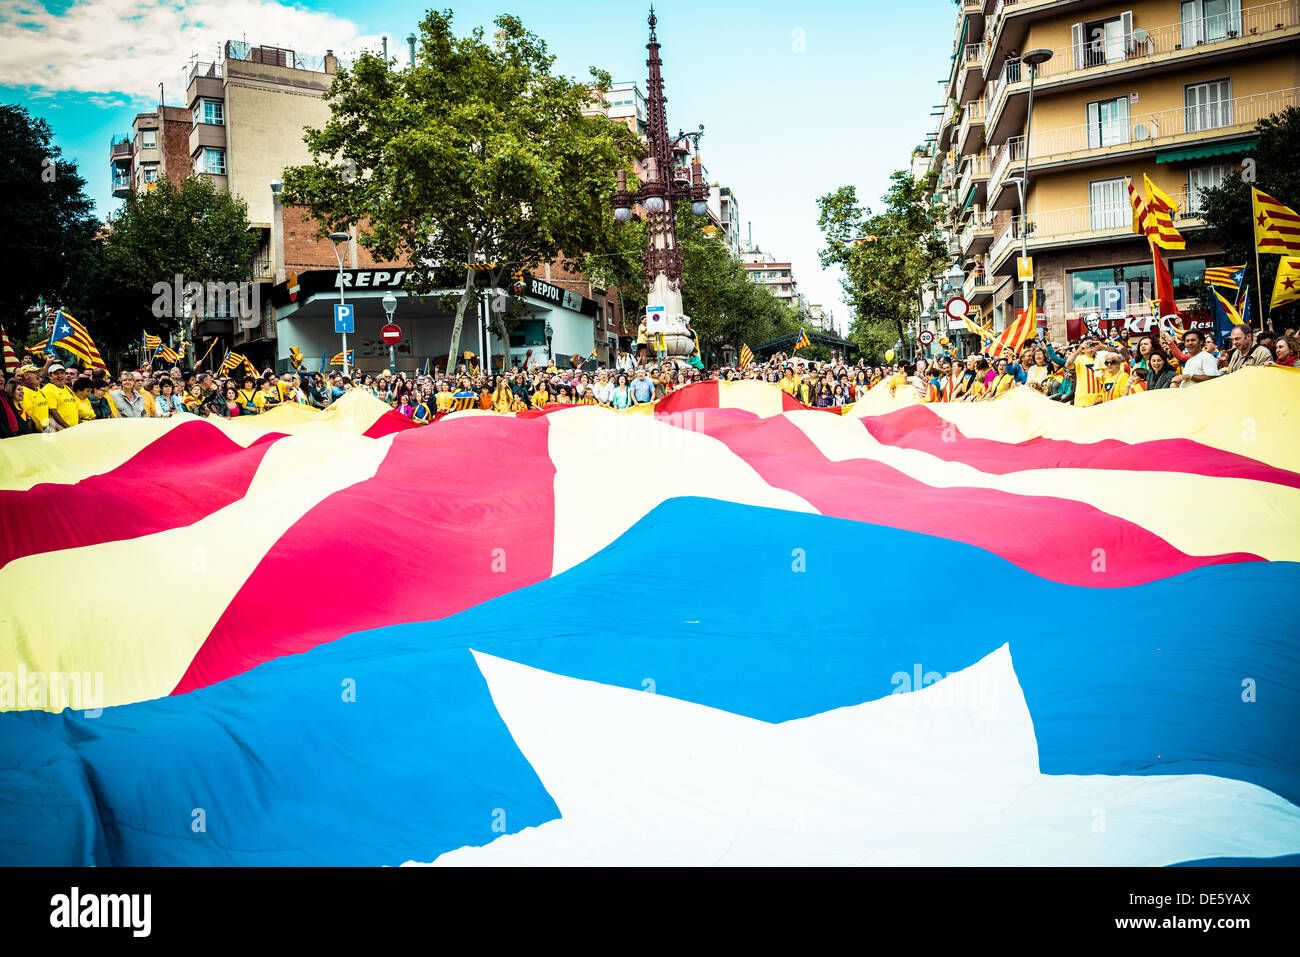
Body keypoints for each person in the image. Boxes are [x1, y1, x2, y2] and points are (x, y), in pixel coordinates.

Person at [40, 364, 78, 431]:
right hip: (62, 430)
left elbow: (74, 409)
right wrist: (67, 427)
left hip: (74, 428)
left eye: (62, 373)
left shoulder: (66, 388)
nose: (60, 376)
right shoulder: (47, 389)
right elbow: (52, 411)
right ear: (50, 376)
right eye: (56, 374)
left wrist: (80, 424)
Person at [0, 367, 32, 438]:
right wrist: (13, 436)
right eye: (18, 390)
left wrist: (29, 434)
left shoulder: (6, 396)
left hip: (17, 437)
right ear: (12, 391)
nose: (1, 379)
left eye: (2, 376)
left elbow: (18, 418)